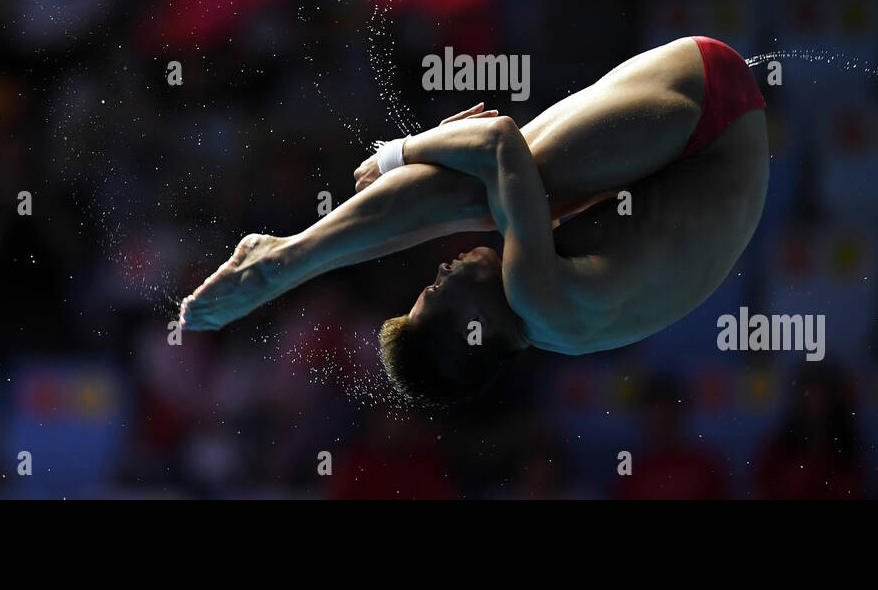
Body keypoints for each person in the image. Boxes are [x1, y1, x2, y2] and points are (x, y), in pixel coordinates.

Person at [180, 37, 769, 405]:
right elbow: (496, 139)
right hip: (711, 113)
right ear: (474, 332)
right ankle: (287, 261)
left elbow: (498, 155)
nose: (440, 270)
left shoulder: (555, 323)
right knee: (477, 190)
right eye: (437, 291)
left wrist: (454, 151)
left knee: (491, 193)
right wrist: (404, 150)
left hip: (703, 137)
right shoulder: (539, 297)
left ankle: (292, 259)